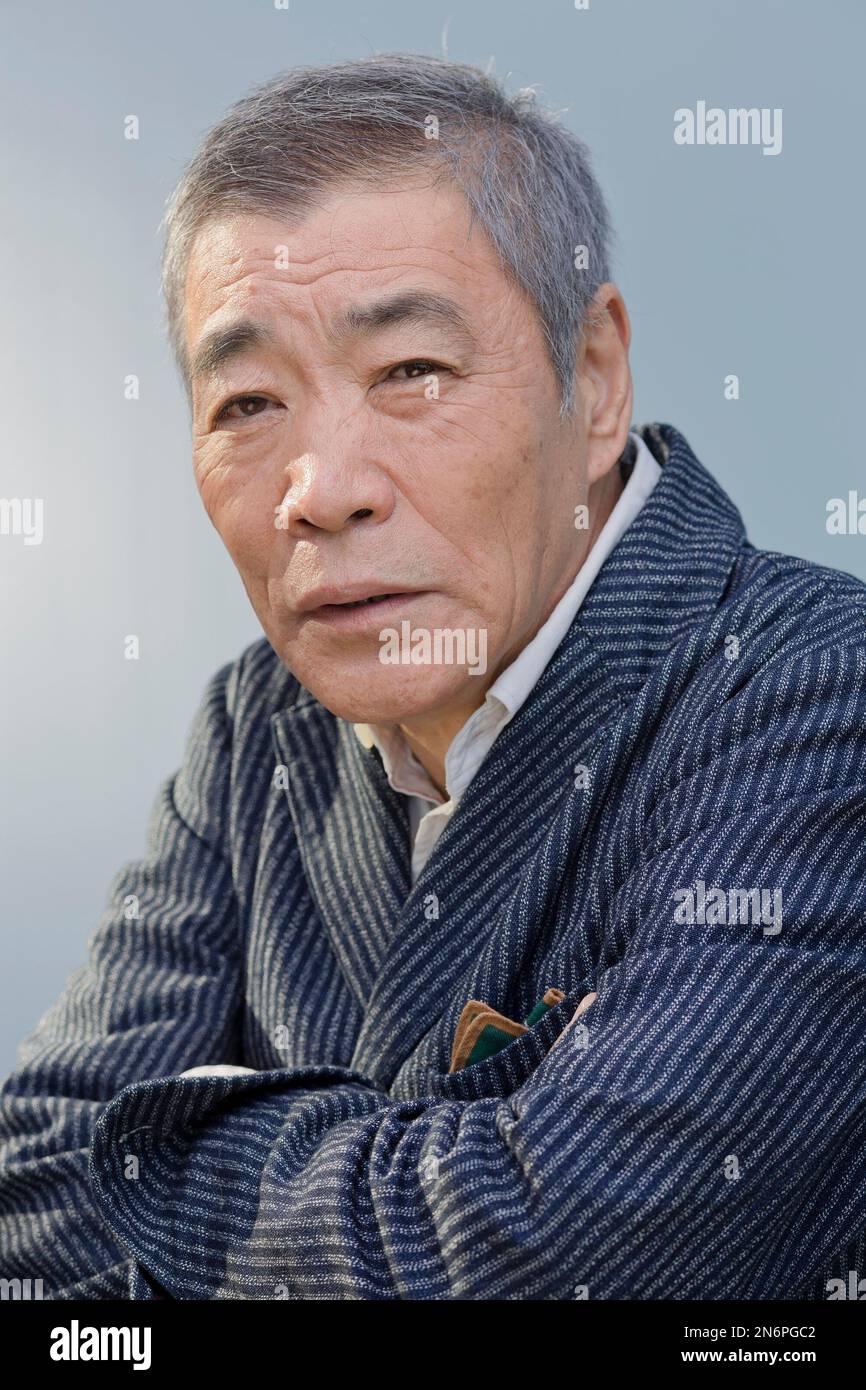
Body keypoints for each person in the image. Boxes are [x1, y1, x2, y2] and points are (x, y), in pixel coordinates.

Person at [1, 53, 864, 1301]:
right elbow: (34, 1198)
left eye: (410, 372)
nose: (320, 489)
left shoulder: (813, 695)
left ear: (594, 376)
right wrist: (445, 1166)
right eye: (247, 402)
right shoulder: (257, 730)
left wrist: (175, 1144)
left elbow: (547, 1261)